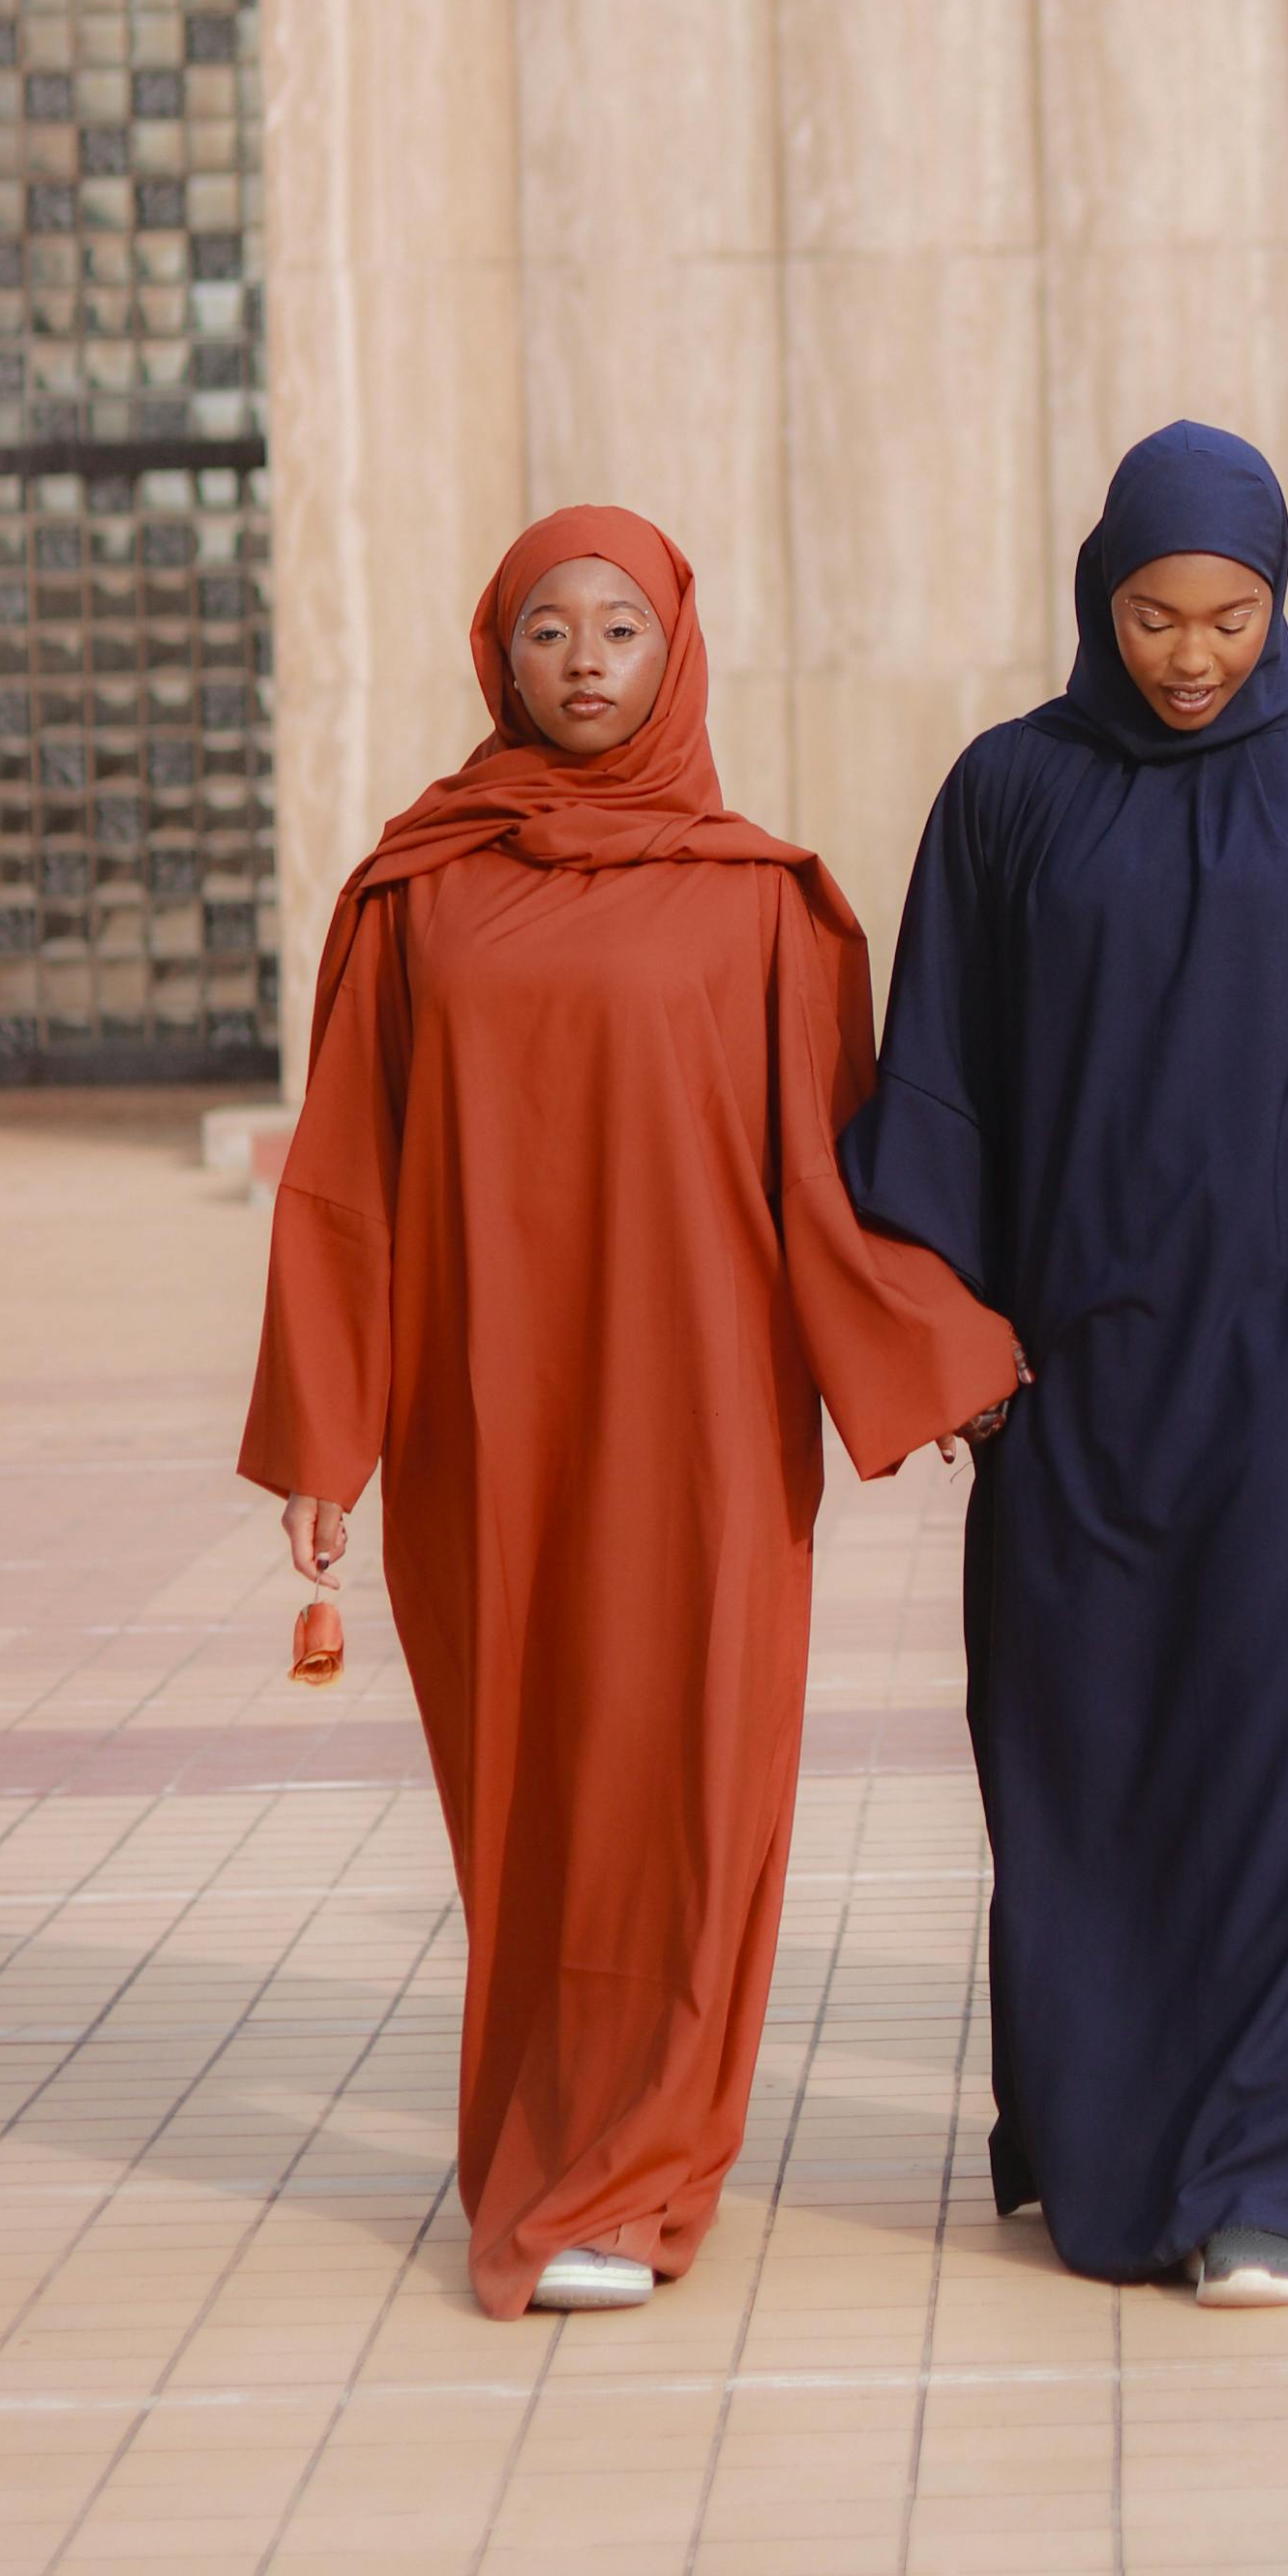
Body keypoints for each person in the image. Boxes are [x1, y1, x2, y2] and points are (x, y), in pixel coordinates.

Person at [239, 507, 1014, 2319]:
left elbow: (834, 1186)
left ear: (679, 651)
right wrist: (325, 1445)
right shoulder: (417, 894)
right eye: (544, 633)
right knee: (524, 1794)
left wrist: (943, 1358)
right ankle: (548, 2147)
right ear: (494, 658)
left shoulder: (767, 901)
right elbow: (349, 1176)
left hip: (706, 1423)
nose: (584, 661)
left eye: (621, 631)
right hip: (483, 1421)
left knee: (689, 1779)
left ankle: (649, 2165)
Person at [839, 421, 1288, 2306]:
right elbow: (936, 1087)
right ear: (1099, 597)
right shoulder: (1007, 796)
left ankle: (1276, 2171)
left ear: (1279, 602)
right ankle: (1105, 2140)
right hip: (1087, 1381)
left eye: (1230, 614)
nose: (1189, 653)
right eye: (1153, 613)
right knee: (1088, 1759)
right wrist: (950, 1344)